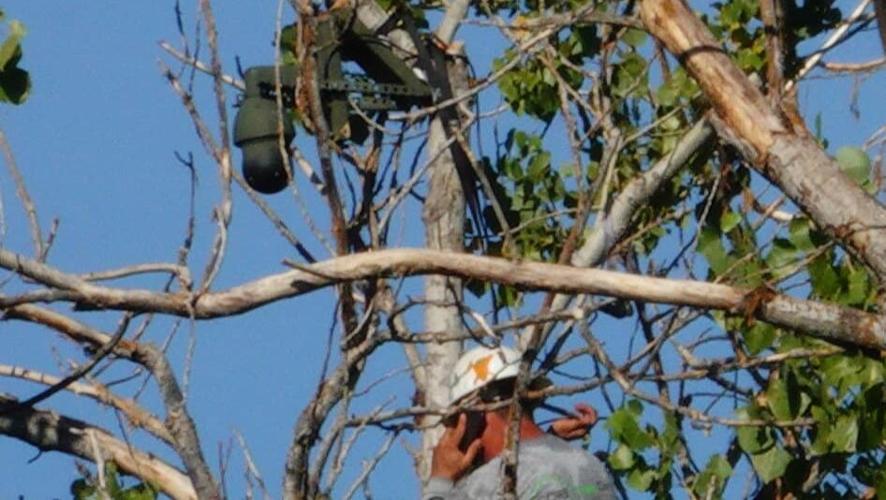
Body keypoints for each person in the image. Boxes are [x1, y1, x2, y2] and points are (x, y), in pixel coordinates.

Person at [422, 345, 618, 499]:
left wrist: (440, 481)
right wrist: (550, 440)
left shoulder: (487, 484)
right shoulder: (590, 464)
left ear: (475, 412)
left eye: (456, 421)